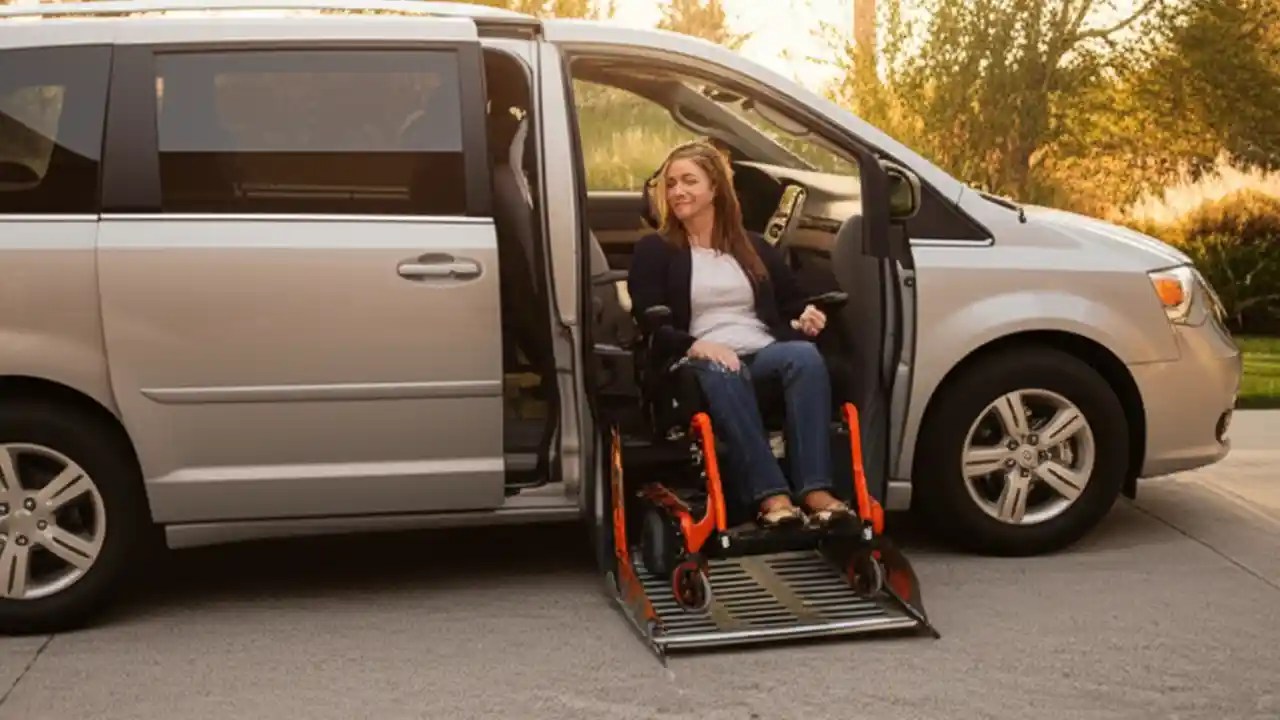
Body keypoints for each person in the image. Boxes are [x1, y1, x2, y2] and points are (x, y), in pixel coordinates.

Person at [626, 140, 853, 529]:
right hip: (697, 357)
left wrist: (807, 317)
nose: (678, 191)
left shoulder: (754, 247)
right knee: (723, 368)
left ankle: (815, 491)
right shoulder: (656, 249)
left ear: (715, 188)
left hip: (761, 351)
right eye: (671, 183)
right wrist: (698, 346)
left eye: (689, 181)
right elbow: (650, 319)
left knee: (804, 357)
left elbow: (792, 303)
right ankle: (772, 497)